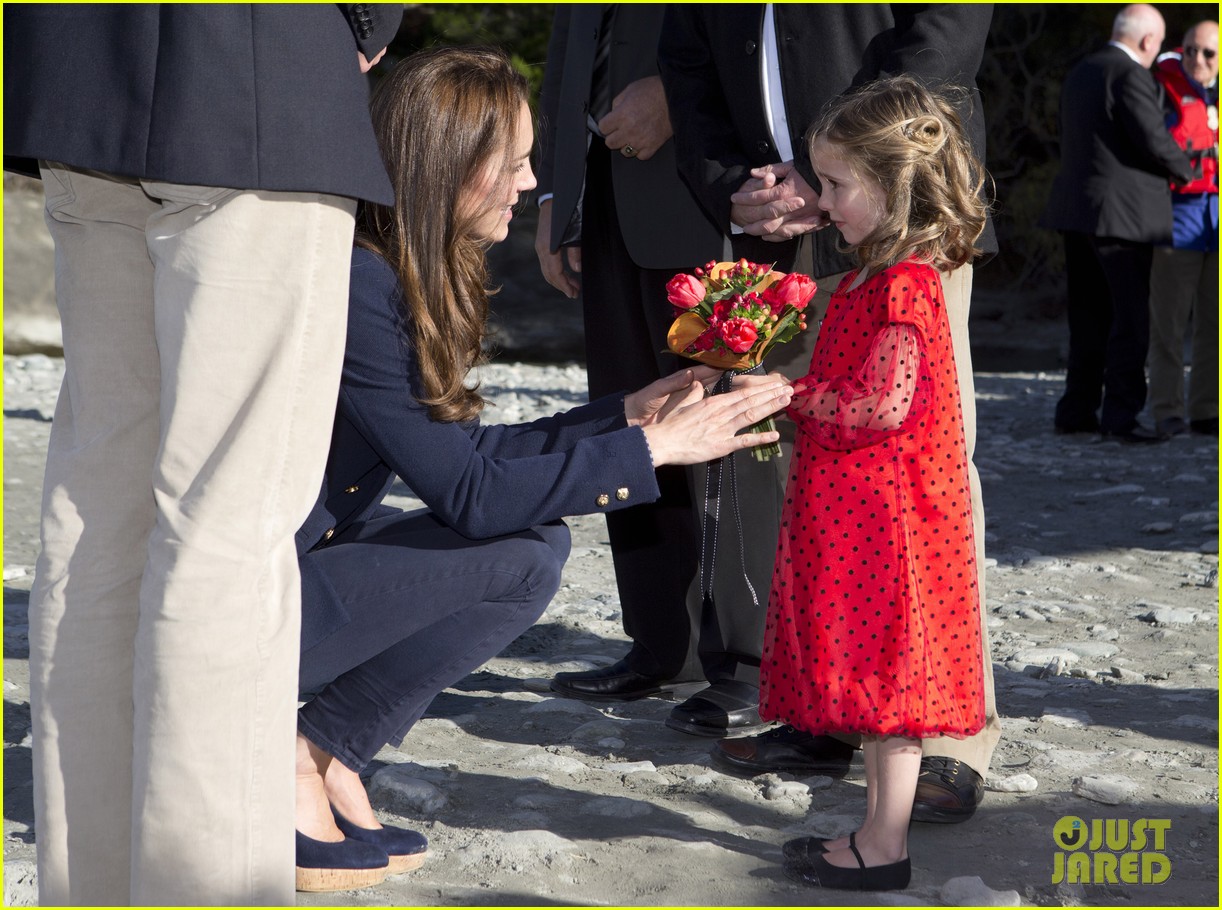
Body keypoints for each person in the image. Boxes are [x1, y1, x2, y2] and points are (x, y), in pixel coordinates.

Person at [288, 46, 796, 892]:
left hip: (295, 573)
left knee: (532, 550)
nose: (530, 185)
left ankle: (324, 746)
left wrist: (623, 417)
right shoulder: (359, 286)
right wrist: (656, 451)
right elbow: (471, 494)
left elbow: (468, 460)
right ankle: (295, 759)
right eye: (515, 163)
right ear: (448, 164)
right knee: (517, 553)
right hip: (240, 614)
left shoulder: (383, 271)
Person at [3, 6, 401, 905]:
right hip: (257, 76)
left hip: (77, 78)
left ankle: (96, 889)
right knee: (226, 532)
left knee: (97, 521)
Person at [658, 3, 1001, 824]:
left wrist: (852, 165)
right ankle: (829, 711)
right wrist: (731, 185)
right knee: (813, 486)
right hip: (776, 217)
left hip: (895, 203)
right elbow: (691, 57)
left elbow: (947, 27)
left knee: (927, 481)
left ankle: (948, 736)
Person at [764, 75, 988, 891]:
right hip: (859, 512)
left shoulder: (904, 284)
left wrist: (787, 397)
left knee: (890, 691)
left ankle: (883, 848)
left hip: (885, 524)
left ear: (894, 187)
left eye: (835, 185)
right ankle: (872, 832)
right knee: (875, 691)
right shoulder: (870, 276)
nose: (822, 203)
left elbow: (883, 404)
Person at [536, 5, 785, 738]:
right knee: (632, 416)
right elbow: (572, 47)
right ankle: (662, 643)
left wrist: (678, 100)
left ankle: (750, 661)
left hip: (708, 193)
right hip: (604, 199)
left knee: (725, 429)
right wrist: (557, 194)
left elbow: (766, 33)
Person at [1042, 3, 1195, 442]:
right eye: (1160, 43)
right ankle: (1120, 418)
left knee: (1088, 317)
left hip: (1078, 210)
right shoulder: (1130, 75)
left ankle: (1076, 410)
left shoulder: (1082, 71)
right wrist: (1186, 168)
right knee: (1129, 320)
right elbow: (1152, 138)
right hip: (1124, 218)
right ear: (1148, 41)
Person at [1148, 20, 1219, 437]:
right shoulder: (1163, 90)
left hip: (1217, 221)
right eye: (1191, 49)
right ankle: (1167, 407)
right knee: (1169, 323)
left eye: (1209, 53)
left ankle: (1207, 408)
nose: (1198, 59)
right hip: (1178, 218)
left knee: (1215, 322)